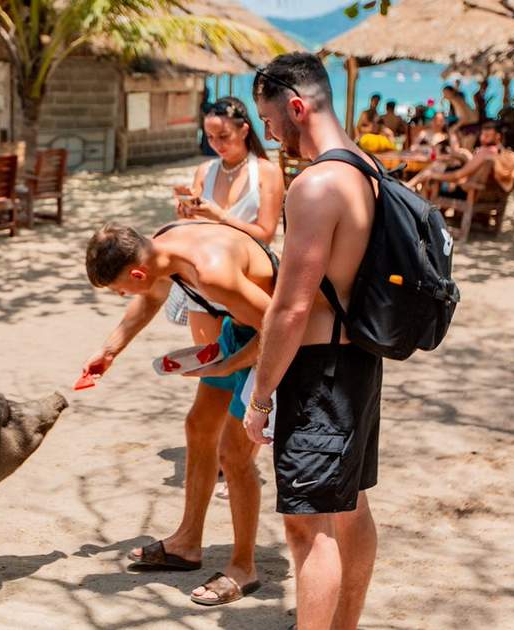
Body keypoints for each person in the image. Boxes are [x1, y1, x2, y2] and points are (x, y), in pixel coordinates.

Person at [248, 51, 381, 630]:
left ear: (296, 107)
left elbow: (292, 306)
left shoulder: (317, 183)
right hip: (360, 361)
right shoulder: (367, 168)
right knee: (348, 508)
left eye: (268, 117)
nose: (267, 131)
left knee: (308, 527)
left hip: (321, 371)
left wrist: (260, 395)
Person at [81, 218, 279, 607]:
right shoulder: (161, 248)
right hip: (236, 335)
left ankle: (244, 567)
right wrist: (110, 350)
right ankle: (188, 542)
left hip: (267, 345)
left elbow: (280, 323)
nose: (124, 295)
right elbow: (152, 296)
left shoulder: (212, 271)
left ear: (137, 271)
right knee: (199, 426)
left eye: (121, 289)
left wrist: (230, 368)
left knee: (234, 455)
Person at [168, 95, 284, 502]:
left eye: (224, 136)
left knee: (247, 372)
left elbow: (266, 233)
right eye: (210, 136)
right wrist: (188, 211)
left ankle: (241, 456)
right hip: (207, 282)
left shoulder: (267, 173)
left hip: (249, 280)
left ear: (245, 130)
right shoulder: (205, 169)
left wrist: (217, 215)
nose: (217, 143)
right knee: (213, 368)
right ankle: (222, 457)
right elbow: (198, 226)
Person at [410, 122, 514, 198]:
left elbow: (458, 175)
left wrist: (433, 175)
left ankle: (412, 191)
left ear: (497, 137)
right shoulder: (501, 154)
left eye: (488, 135)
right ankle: (409, 185)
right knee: (440, 165)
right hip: (484, 193)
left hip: (468, 192)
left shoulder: (485, 152)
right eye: (483, 134)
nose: (483, 137)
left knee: (431, 176)